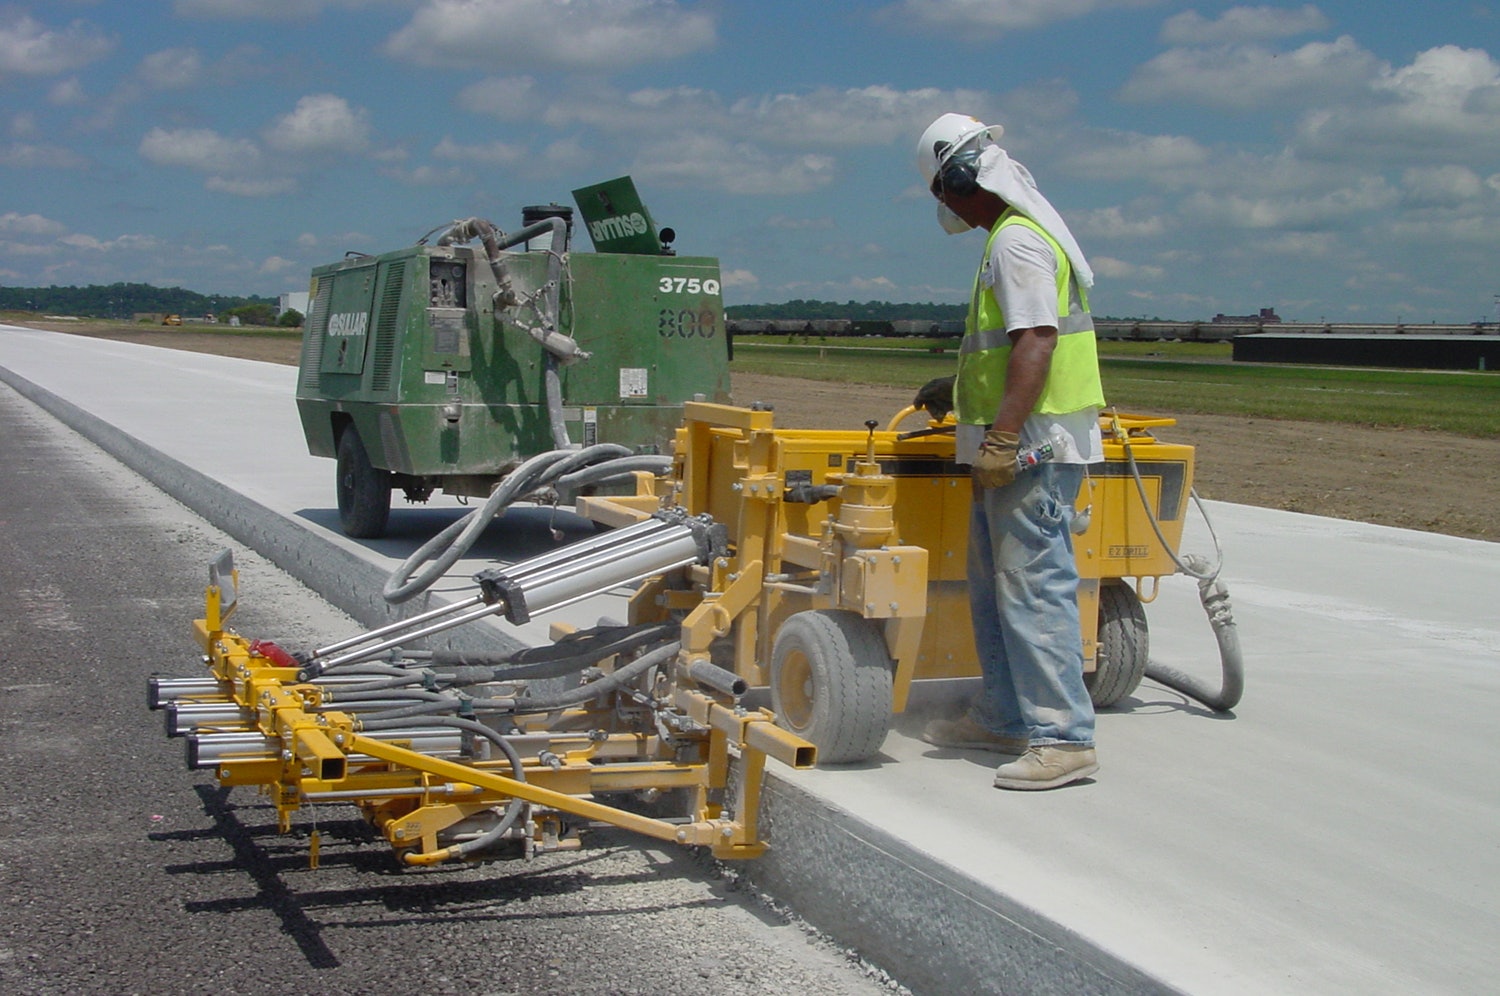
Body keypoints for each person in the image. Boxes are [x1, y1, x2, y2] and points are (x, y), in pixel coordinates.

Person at [913, 113, 1105, 790]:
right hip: (1015, 445)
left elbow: (1036, 343)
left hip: (1030, 449)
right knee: (994, 588)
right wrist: (962, 389)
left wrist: (999, 437)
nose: (945, 204)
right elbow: (1006, 348)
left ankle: (1062, 737)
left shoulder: (1017, 243)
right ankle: (1003, 715)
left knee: (1033, 588)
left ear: (962, 179)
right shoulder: (1009, 237)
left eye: (943, 190)